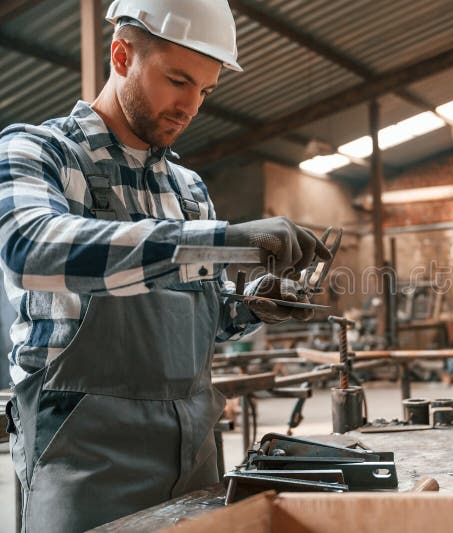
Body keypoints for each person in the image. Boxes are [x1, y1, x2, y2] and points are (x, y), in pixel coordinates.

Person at [0, 1, 329, 531]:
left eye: (204, 90)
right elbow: (30, 248)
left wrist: (250, 304)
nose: (190, 105)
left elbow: (200, 317)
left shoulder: (188, 190)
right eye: (177, 80)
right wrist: (219, 240)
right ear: (122, 55)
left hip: (193, 449)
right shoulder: (41, 152)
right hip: (84, 455)